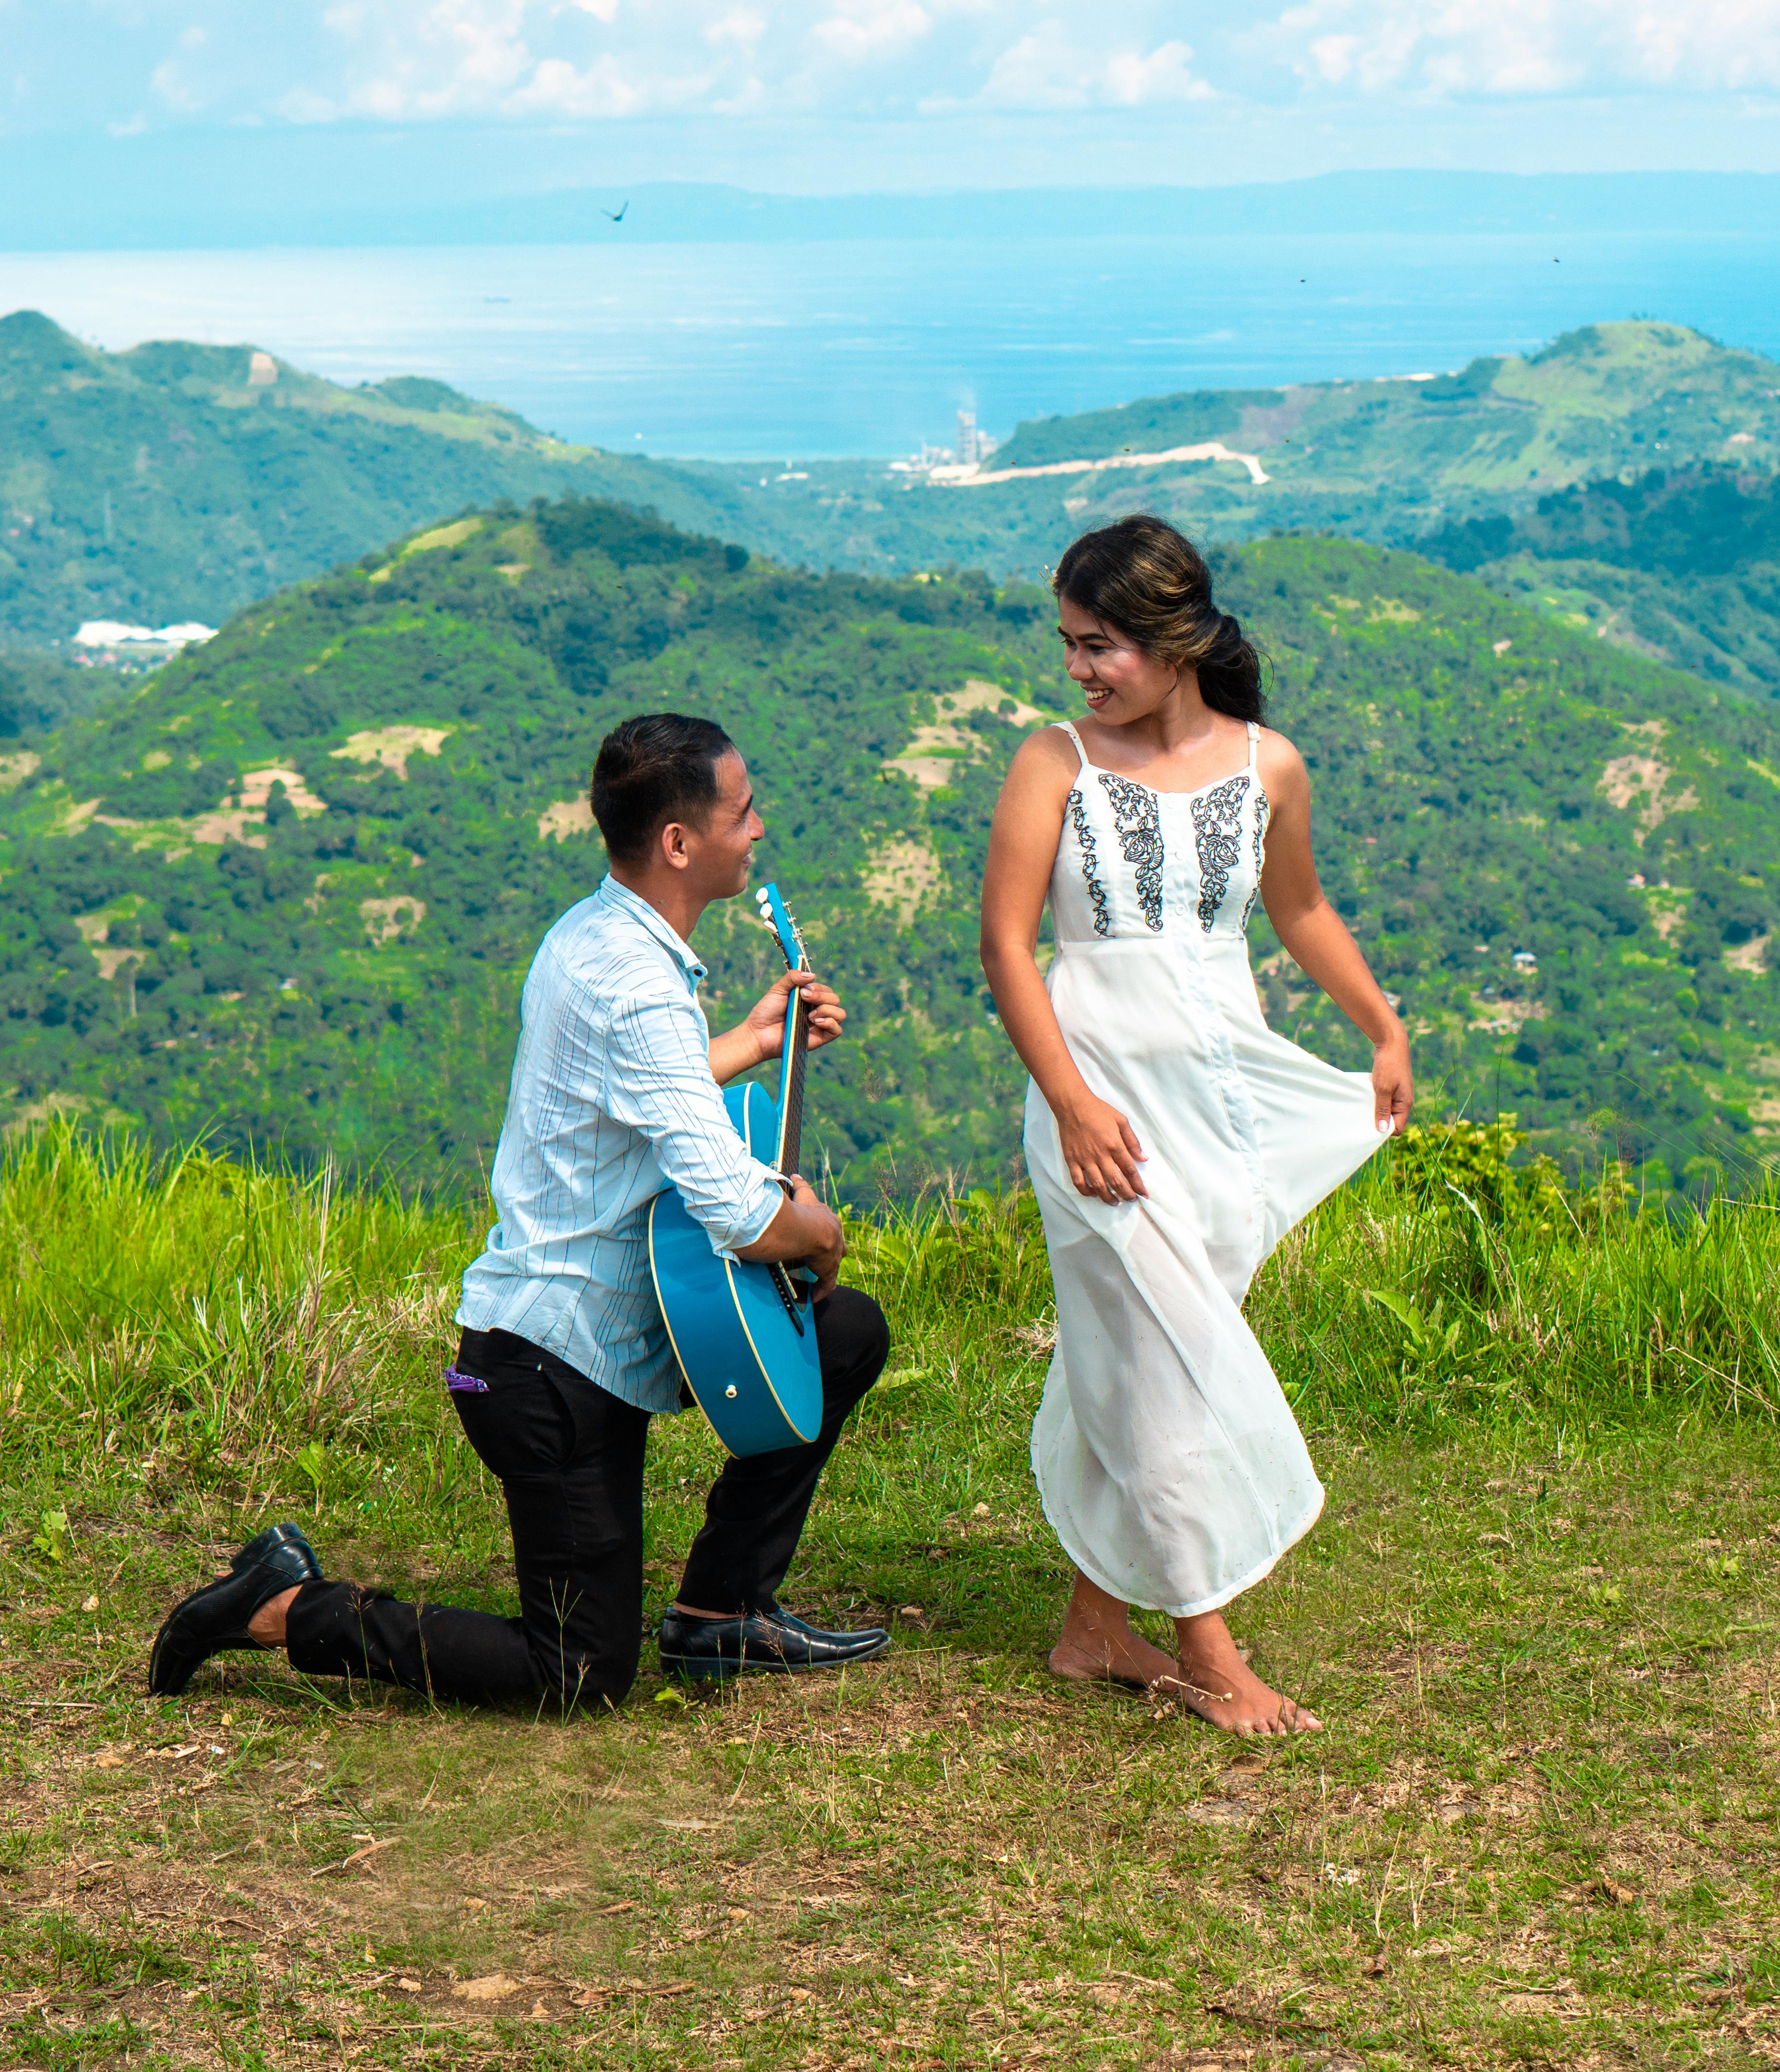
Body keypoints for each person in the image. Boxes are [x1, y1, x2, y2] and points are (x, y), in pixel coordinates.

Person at [150, 713, 891, 1714]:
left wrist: (751, 1044)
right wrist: (822, 1229)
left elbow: (632, 1098)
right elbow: (738, 1215)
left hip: (609, 1331)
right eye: (742, 811)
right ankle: (288, 1604)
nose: (757, 829)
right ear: (680, 842)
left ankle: (722, 1612)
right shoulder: (637, 984)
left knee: (841, 1333)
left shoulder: (595, 933)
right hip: (549, 1369)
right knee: (578, 1675)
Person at [979, 516, 1412, 1736]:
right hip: (1097, 1104)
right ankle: (1206, 1644)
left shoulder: (1268, 764)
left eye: (1100, 645)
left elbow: (1302, 906)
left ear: (1173, 640)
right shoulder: (1052, 762)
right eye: (1071, 645)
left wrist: (1382, 1024)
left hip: (1224, 1099)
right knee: (1164, 1354)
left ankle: (1090, 1626)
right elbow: (1006, 949)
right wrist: (1069, 1102)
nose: (1080, 670)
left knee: (1135, 1346)